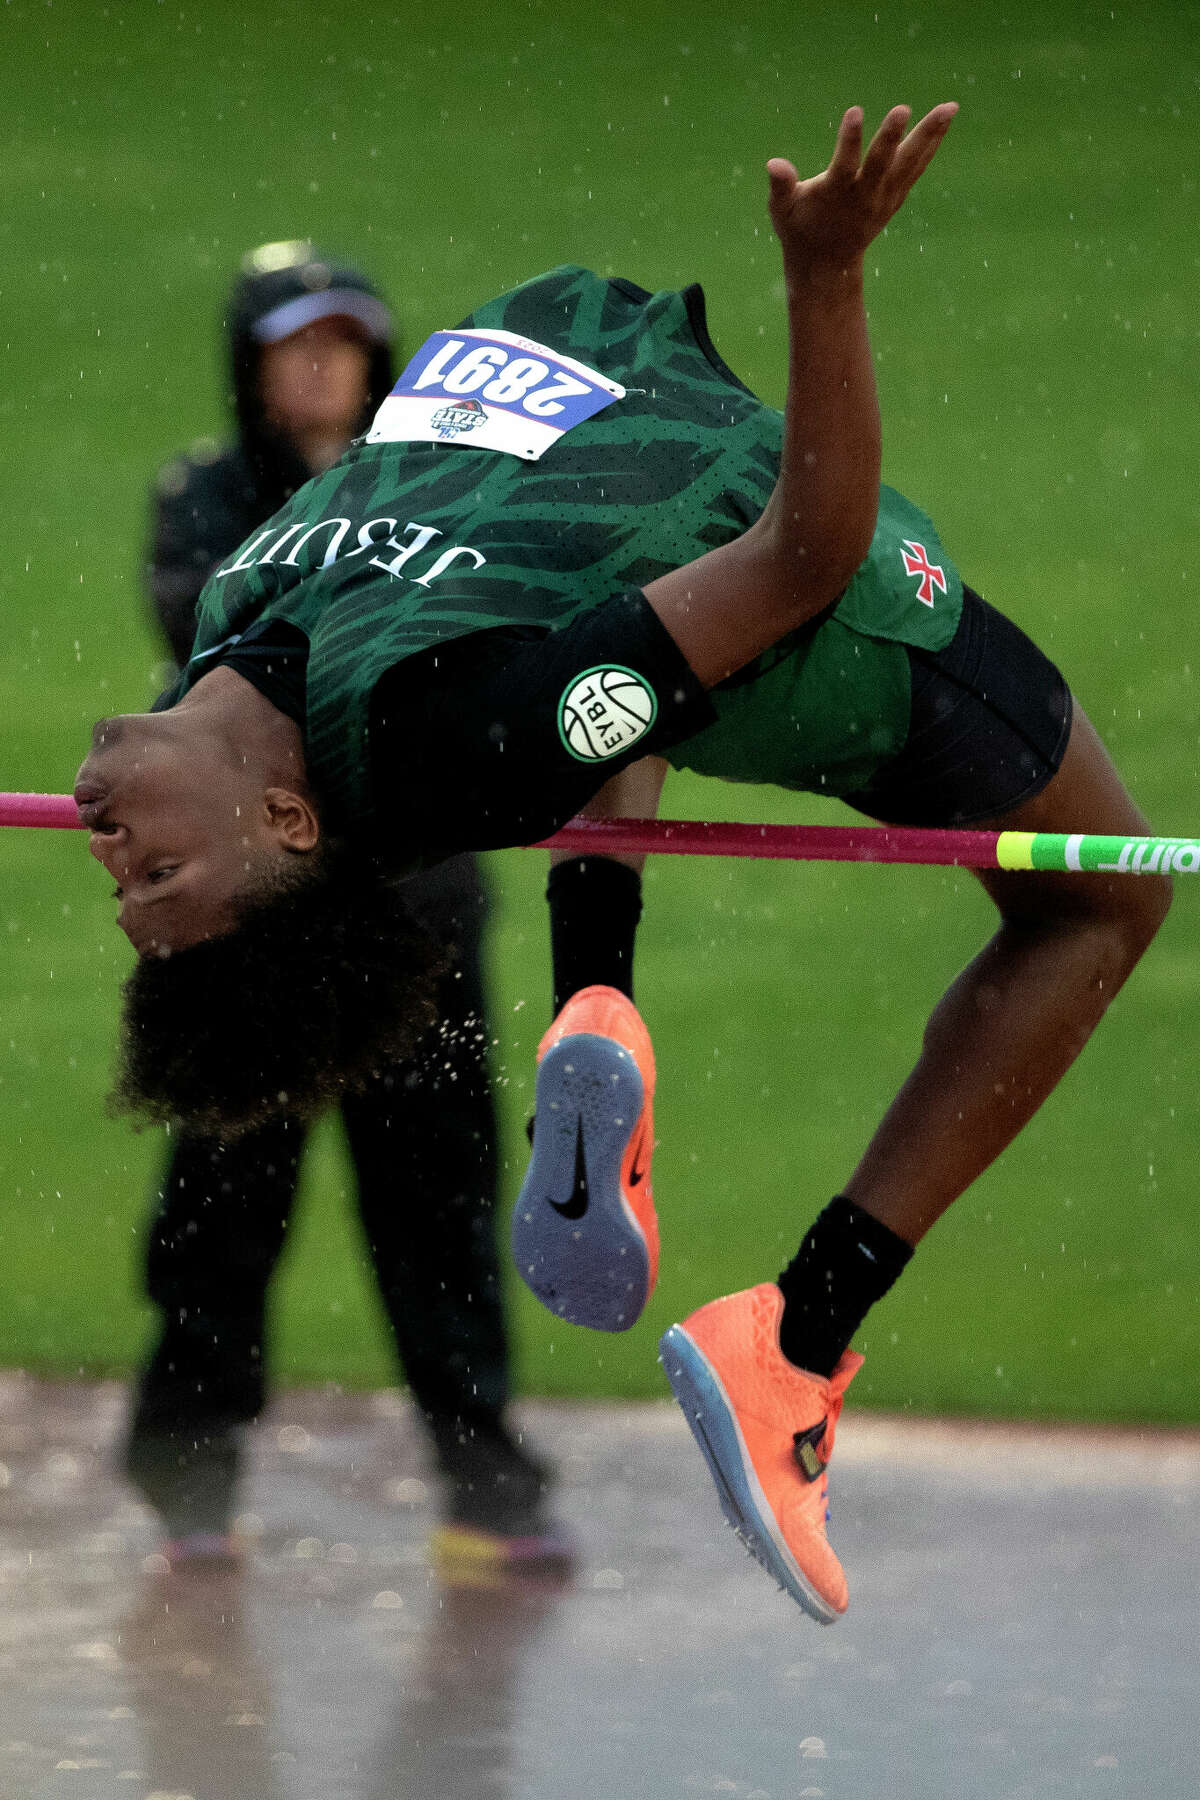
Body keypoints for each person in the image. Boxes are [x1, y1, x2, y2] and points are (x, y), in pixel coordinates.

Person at [75, 105, 1169, 1620]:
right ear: (285, 826)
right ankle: (795, 1338)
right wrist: (829, 275)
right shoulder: (440, 742)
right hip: (840, 631)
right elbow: (807, 553)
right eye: (158, 891)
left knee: (574, 660)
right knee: (1108, 900)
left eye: (120, 891)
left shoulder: (239, 623)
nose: (110, 856)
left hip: (632, 499)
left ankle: (603, 992)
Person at [125, 240, 567, 1571]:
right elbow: (229, 653)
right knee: (223, 1203)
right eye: (296, 342)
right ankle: (187, 1473)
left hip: (413, 913)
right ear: (252, 363)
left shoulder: (435, 491)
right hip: (248, 923)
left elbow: (459, 659)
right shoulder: (205, 501)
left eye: (347, 340)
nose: (325, 363)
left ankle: (485, 1484)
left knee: (438, 1204)